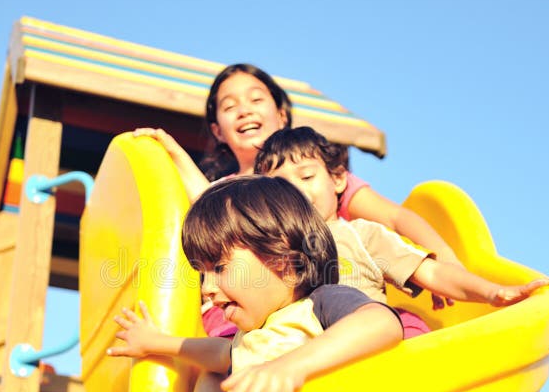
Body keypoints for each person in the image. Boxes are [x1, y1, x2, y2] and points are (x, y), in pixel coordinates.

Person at [109, 176, 404, 392]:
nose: (207, 289)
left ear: (284, 261)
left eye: (220, 268)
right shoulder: (249, 337)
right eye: (202, 274)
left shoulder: (319, 304)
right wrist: (155, 343)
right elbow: (217, 353)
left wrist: (286, 368)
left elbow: (382, 324)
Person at [132, 63, 462, 272]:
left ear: (282, 115)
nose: (245, 110)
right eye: (230, 106)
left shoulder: (314, 176)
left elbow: (393, 216)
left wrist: (444, 257)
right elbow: (206, 199)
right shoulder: (230, 191)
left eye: (257, 100)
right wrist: (173, 151)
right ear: (218, 131)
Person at [254, 126, 549, 318]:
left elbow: (434, 274)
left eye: (306, 176)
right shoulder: (267, 258)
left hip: (363, 350)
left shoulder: (363, 236)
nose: (296, 190)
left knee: (406, 325)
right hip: (299, 362)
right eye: (281, 185)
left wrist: (492, 292)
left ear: (337, 179)